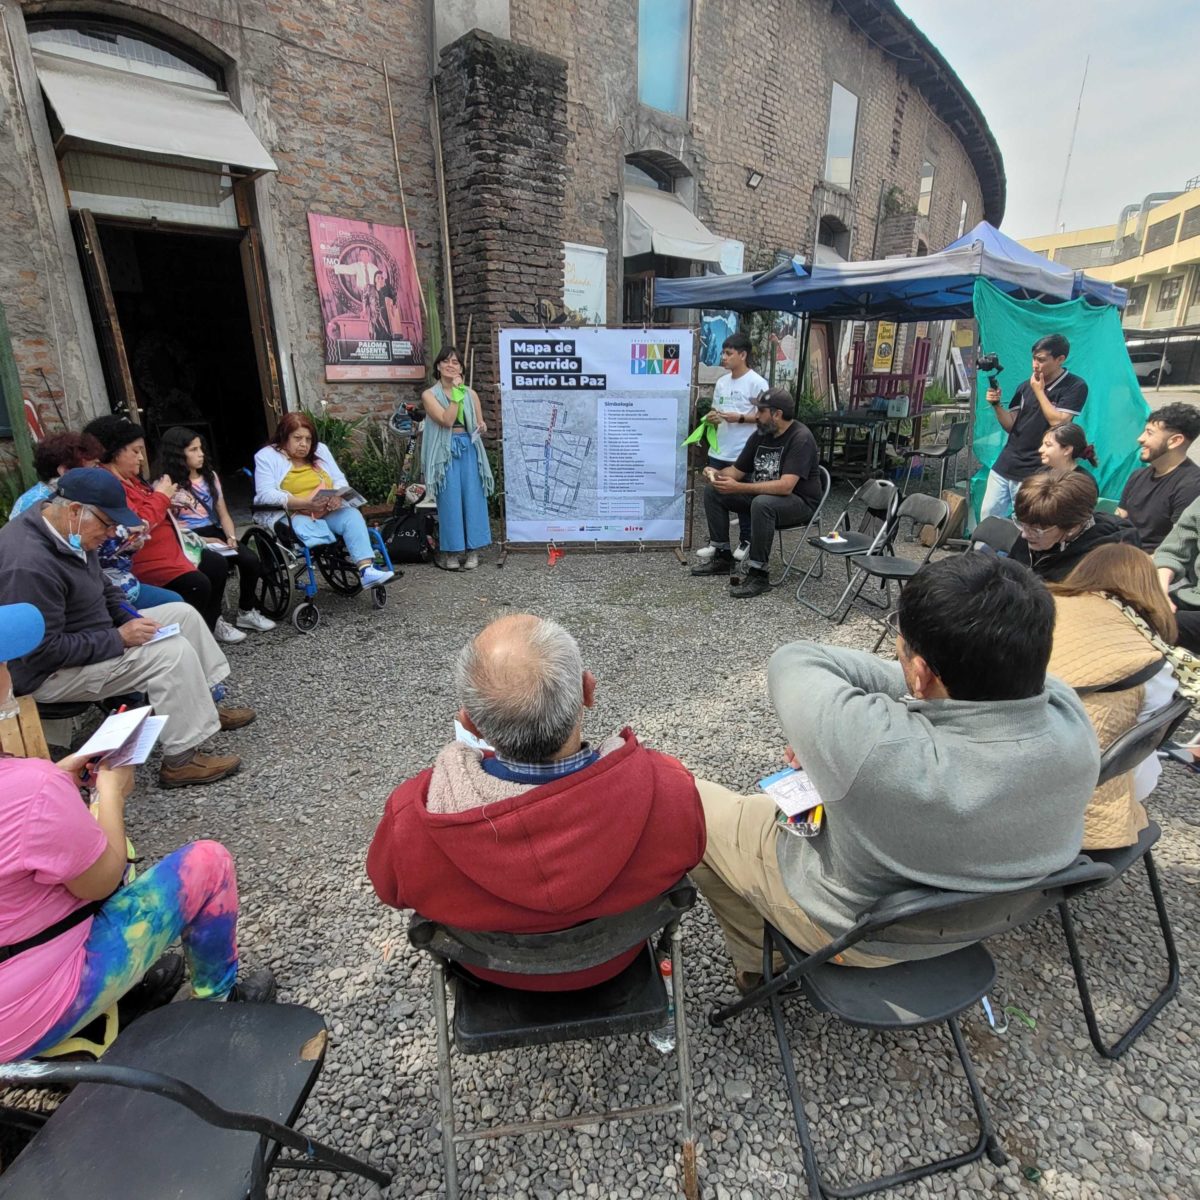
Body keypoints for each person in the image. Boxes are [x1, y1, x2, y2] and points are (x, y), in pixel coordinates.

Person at [691, 554, 1098, 991]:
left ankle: (761, 962)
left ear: (920, 673)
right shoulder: (1072, 721)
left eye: (901, 650)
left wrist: (840, 733)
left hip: (860, 934)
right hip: (978, 917)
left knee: (686, 804)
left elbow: (795, 659)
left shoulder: (878, 746)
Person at [367, 614, 706, 991]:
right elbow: (689, 856)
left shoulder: (412, 823)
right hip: (614, 961)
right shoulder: (671, 790)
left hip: (494, 971)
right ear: (588, 691)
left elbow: (389, 890)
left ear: (471, 726)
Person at [0, 602, 274, 1061]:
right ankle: (216, 1003)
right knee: (205, 862)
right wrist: (111, 792)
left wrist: (55, 781)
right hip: (27, 1012)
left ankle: (126, 995)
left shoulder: (33, 787)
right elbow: (103, 878)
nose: (9, 669)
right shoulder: (29, 788)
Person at [0, 468, 255, 788]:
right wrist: (119, 637)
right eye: (108, 524)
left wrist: (130, 616)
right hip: (49, 674)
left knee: (181, 613)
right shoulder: (28, 564)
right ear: (77, 510)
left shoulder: (66, 529)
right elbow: (43, 652)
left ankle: (205, 705)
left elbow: (105, 588)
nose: (111, 534)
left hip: (91, 636)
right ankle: (181, 760)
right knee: (169, 653)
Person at [1049, 545, 1186, 850]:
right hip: (1095, 788)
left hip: (1023, 771)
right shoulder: (1156, 656)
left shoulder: (1044, 608)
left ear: (1084, 571)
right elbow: (1148, 734)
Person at [84, 415, 244, 644]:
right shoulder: (108, 484)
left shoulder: (133, 480)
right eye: (136, 451)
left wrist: (167, 500)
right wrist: (161, 497)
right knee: (197, 584)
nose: (141, 458)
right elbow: (135, 525)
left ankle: (209, 625)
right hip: (147, 559)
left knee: (218, 563)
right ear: (115, 451)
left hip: (173, 548)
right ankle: (191, 637)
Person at [691, 387, 822, 598]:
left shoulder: (800, 437)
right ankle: (723, 556)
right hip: (764, 498)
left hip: (800, 503)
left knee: (762, 504)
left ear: (776, 414)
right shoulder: (760, 435)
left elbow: (786, 486)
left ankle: (759, 574)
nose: (756, 415)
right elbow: (736, 471)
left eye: (761, 411)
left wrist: (740, 487)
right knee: (713, 492)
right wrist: (716, 473)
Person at [253, 412, 394, 590]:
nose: (304, 444)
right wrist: (305, 503)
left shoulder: (320, 450)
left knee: (352, 516)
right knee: (311, 529)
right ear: (284, 437)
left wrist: (337, 496)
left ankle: (366, 571)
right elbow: (266, 494)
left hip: (325, 508)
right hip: (293, 512)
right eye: (297, 438)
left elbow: (339, 479)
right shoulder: (267, 456)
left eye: (308, 439)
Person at [156, 427, 276, 634]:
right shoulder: (165, 483)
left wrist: (230, 536)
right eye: (193, 450)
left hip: (213, 529)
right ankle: (215, 618)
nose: (201, 454)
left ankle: (247, 611)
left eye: (200, 448)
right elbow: (169, 524)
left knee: (250, 559)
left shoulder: (209, 476)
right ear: (177, 453)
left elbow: (223, 513)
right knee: (217, 565)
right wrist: (206, 541)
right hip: (186, 537)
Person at [981, 334, 1088, 520]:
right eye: (1033, 358)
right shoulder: (1025, 386)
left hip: (1037, 469)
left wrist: (1039, 390)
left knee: (1025, 523)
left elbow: (1059, 422)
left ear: (1060, 359)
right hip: (1006, 463)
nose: (1035, 364)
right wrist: (997, 405)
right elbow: (1011, 425)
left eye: (1041, 360)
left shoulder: (1075, 386)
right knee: (988, 518)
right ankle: (982, 550)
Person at [694, 332, 769, 563]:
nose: (723, 357)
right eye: (723, 353)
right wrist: (712, 417)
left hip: (743, 452)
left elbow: (767, 418)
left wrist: (741, 418)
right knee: (714, 495)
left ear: (743, 355)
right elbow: (717, 410)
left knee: (743, 497)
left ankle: (746, 540)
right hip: (720, 449)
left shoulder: (757, 382)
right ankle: (719, 544)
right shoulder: (721, 382)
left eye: (729, 353)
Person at [421, 346, 493, 571]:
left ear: (461, 368)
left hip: (469, 449)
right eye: (446, 361)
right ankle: (452, 551)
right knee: (450, 501)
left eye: (456, 362)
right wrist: (456, 396)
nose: (451, 365)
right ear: (439, 366)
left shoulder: (471, 394)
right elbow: (446, 421)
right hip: (445, 453)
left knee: (473, 498)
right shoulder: (430, 395)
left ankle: (473, 550)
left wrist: (482, 426)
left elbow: (481, 424)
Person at [1012, 468, 1138, 582]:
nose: (1024, 534)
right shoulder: (1036, 525)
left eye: (1036, 530)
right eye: (1021, 523)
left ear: (1072, 528)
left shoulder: (1102, 563)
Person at [1117, 403, 1200, 553]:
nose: (1140, 439)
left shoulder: (1191, 486)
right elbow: (1119, 517)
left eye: (1150, 433)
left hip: (1151, 564)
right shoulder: (1138, 475)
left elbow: (1178, 547)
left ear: (1175, 441)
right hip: (1121, 552)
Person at [9, 431, 104, 518]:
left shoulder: (61, 493)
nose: (101, 472)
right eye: (94, 467)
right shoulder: (42, 504)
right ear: (65, 471)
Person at [1154, 494, 1200, 653]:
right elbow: (1172, 552)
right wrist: (1159, 593)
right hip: (1193, 597)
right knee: (1126, 609)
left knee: (1161, 625)